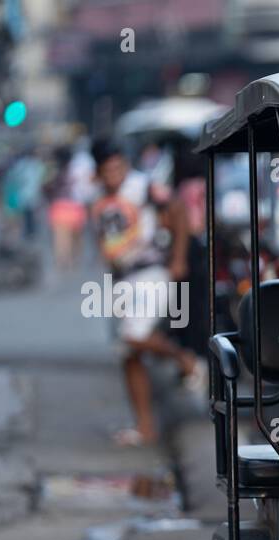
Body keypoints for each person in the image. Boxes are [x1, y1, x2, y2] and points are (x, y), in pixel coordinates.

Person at [90, 140, 202, 446]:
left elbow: (177, 209)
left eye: (117, 167)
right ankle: (145, 427)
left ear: (124, 165)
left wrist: (178, 258)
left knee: (133, 336)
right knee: (129, 354)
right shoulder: (99, 195)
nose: (113, 174)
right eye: (107, 170)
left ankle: (186, 360)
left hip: (152, 271)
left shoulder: (144, 186)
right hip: (123, 278)